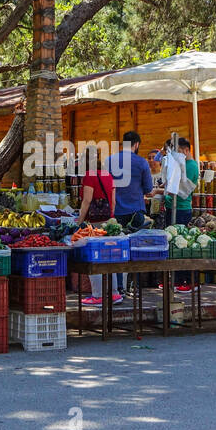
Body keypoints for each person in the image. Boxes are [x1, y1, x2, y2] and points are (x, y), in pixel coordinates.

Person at [75, 146, 121, 306]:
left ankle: (98, 296)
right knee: (110, 258)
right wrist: (110, 217)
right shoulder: (108, 175)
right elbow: (113, 201)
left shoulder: (89, 176)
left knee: (94, 258)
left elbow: (87, 201)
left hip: (94, 224)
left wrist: (79, 221)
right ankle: (114, 294)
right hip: (109, 221)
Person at [105, 131, 158, 230]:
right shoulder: (142, 162)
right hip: (135, 211)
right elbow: (148, 189)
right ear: (137, 144)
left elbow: (105, 185)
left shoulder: (109, 160)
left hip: (115, 211)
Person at [166, 138, 199, 292]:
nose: (177, 155)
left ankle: (190, 281)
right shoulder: (182, 164)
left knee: (183, 245)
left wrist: (161, 192)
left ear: (186, 150)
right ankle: (178, 279)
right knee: (174, 245)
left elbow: (180, 190)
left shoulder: (191, 166)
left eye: (179, 152)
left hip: (181, 210)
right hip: (173, 208)